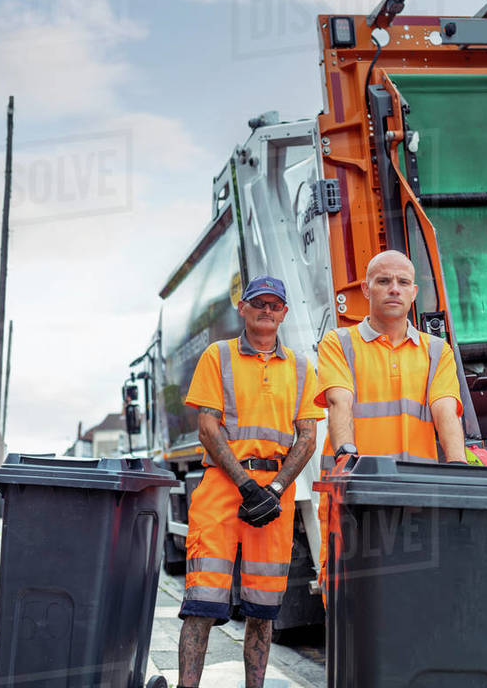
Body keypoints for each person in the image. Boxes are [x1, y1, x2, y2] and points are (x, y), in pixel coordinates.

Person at [176, 275, 323, 688]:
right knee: (201, 604)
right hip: (223, 489)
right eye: (258, 302)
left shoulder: (299, 367)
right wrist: (246, 484)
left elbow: (307, 437)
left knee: (263, 610)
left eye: (275, 304)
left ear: (284, 313)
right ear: (243, 308)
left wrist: (273, 489)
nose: (266, 310)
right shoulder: (217, 356)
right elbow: (208, 428)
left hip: (275, 494)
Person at [313, 250, 467, 593]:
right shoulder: (339, 343)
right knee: (350, 594)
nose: (393, 289)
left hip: (420, 494)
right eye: (383, 281)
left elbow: (445, 409)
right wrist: (346, 457)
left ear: (414, 292)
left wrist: (458, 468)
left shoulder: (436, 350)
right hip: (356, 493)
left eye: (402, 282)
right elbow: (339, 401)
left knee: (419, 593)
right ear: (366, 290)